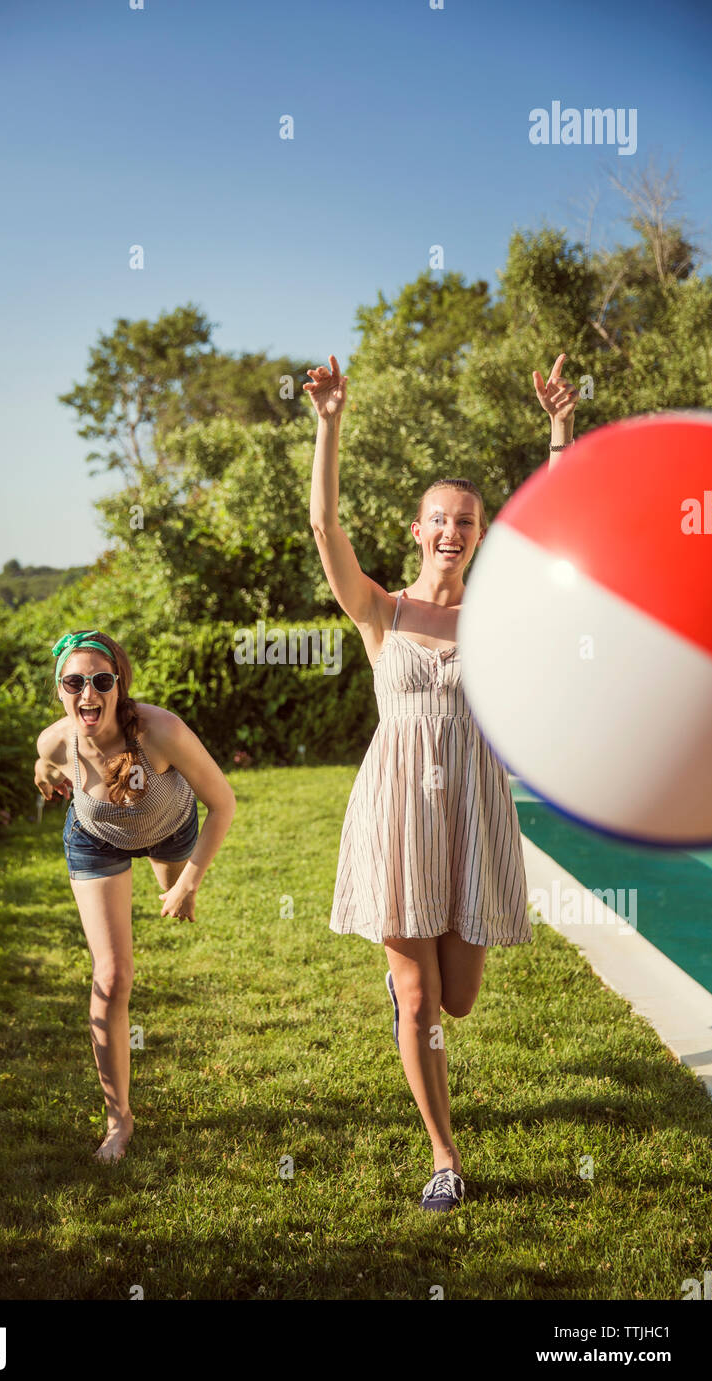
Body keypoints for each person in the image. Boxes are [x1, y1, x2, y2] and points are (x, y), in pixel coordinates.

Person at [306, 351, 579, 1212]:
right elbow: (324, 530)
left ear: (480, 534)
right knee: (422, 1000)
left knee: (457, 1002)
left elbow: (561, 537)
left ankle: (412, 993)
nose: (453, 530)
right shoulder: (381, 610)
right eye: (439, 519)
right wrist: (329, 424)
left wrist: (562, 432)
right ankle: (444, 1155)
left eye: (467, 519)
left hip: (471, 805)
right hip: (397, 808)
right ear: (417, 531)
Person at [33, 629, 236, 1162]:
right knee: (113, 973)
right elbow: (46, 765)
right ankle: (118, 1120)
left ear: (119, 685)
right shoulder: (56, 741)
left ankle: (166, 877)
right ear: (59, 690)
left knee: (172, 894)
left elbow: (225, 804)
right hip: (96, 840)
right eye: (73, 682)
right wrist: (44, 775)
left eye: (101, 681)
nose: (87, 693)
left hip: (170, 829)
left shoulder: (161, 731)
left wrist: (190, 883)